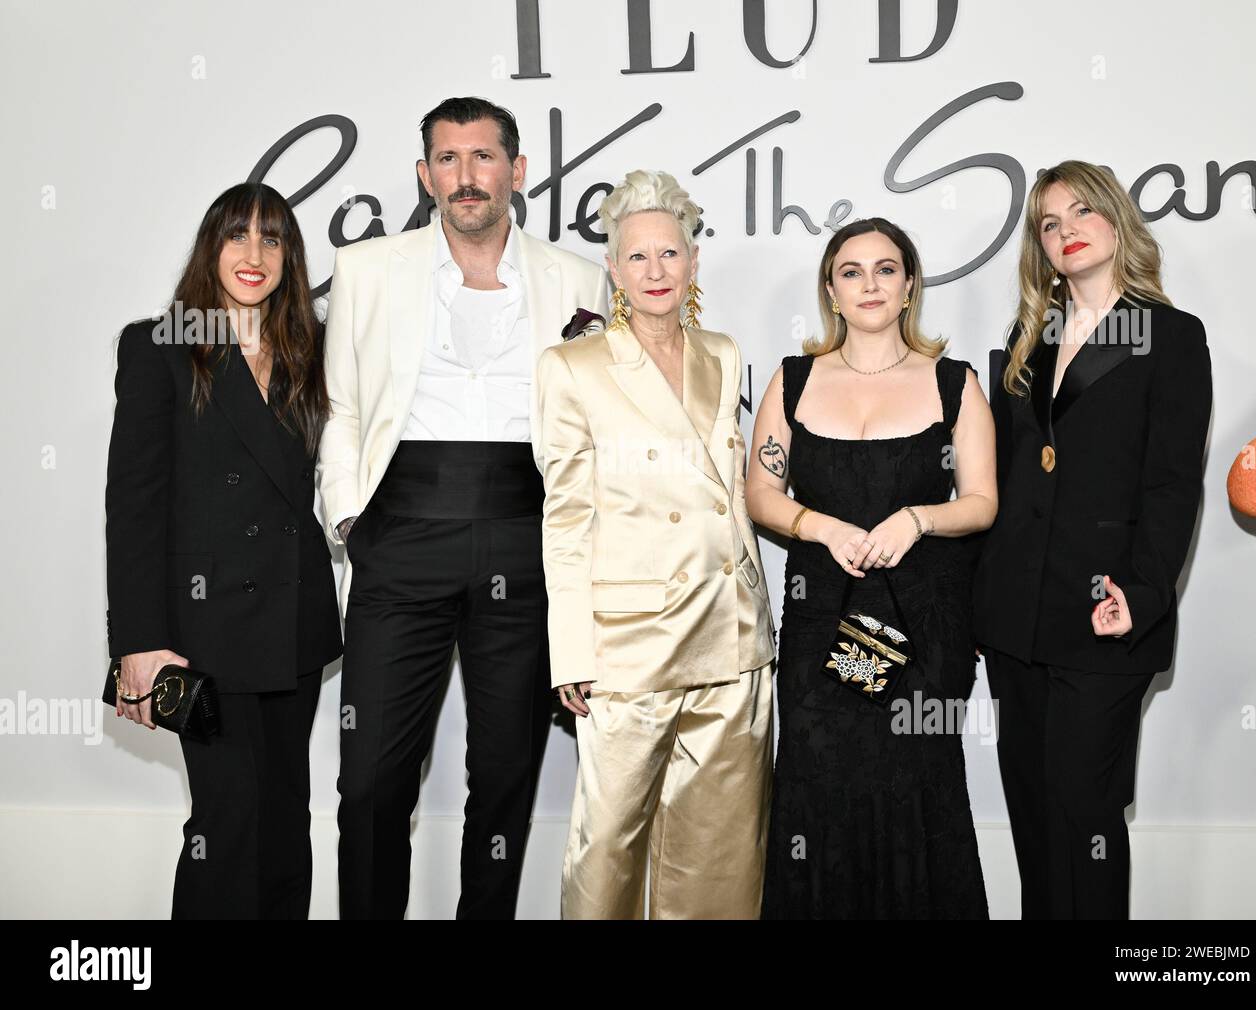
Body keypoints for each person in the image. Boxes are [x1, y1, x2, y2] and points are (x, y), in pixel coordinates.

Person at [319, 96, 608, 919]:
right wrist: (350, 520)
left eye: (483, 157)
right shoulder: (367, 270)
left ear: (517, 171)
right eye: (447, 159)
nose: (465, 176)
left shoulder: (579, 281)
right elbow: (341, 408)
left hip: (526, 538)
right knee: (370, 774)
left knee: (507, 774)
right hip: (399, 535)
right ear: (424, 175)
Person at [973, 160, 1212, 919]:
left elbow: (1174, 485)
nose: (1067, 231)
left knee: (1086, 813)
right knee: (1036, 816)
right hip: (1019, 620)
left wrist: (1142, 596)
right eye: (1049, 223)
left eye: (1081, 212)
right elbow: (1007, 479)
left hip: (1105, 614)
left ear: (1115, 220)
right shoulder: (1027, 337)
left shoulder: (1170, 337)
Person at [540, 170, 776, 919]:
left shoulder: (722, 351)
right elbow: (566, 518)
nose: (655, 272)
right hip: (628, 644)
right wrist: (570, 648)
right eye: (637, 258)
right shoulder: (570, 367)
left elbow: (730, 493)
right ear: (613, 270)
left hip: (731, 634)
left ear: (693, 263)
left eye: (669, 255)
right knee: (608, 847)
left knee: (722, 851)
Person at [746, 217, 997, 919]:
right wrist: (820, 527)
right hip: (820, 618)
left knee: (917, 790)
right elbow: (760, 492)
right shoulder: (793, 379)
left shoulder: (955, 382)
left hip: (921, 624)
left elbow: (981, 502)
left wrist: (917, 518)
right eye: (851, 271)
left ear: (910, 285)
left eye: (886, 269)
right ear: (830, 289)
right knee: (817, 789)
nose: (870, 284)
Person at [105, 182, 342, 918]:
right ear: (211, 247)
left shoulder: (318, 349)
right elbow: (134, 507)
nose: (253, 254)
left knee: (284, 820)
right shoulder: (160, 345)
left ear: (291, 258)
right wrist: (140, 643)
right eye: (237, 235)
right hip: (200, 638)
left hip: (293, 627)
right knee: (224, 822)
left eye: (272, 239)